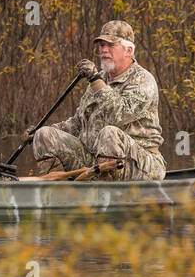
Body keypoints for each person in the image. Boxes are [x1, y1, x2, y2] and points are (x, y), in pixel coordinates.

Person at [29, 20, 167, 181]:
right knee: (45, 135)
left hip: (140, 164)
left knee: (110, 133)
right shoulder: (99, 79)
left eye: (111, 45)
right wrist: (38, 132)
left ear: (128, 50)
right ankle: (56, 193)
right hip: (96, 161)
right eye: (101, 45)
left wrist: (96, 81)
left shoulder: (143, 80)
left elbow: (119, 116)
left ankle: (106, 195)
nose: (104, 50)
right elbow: (78, 123)